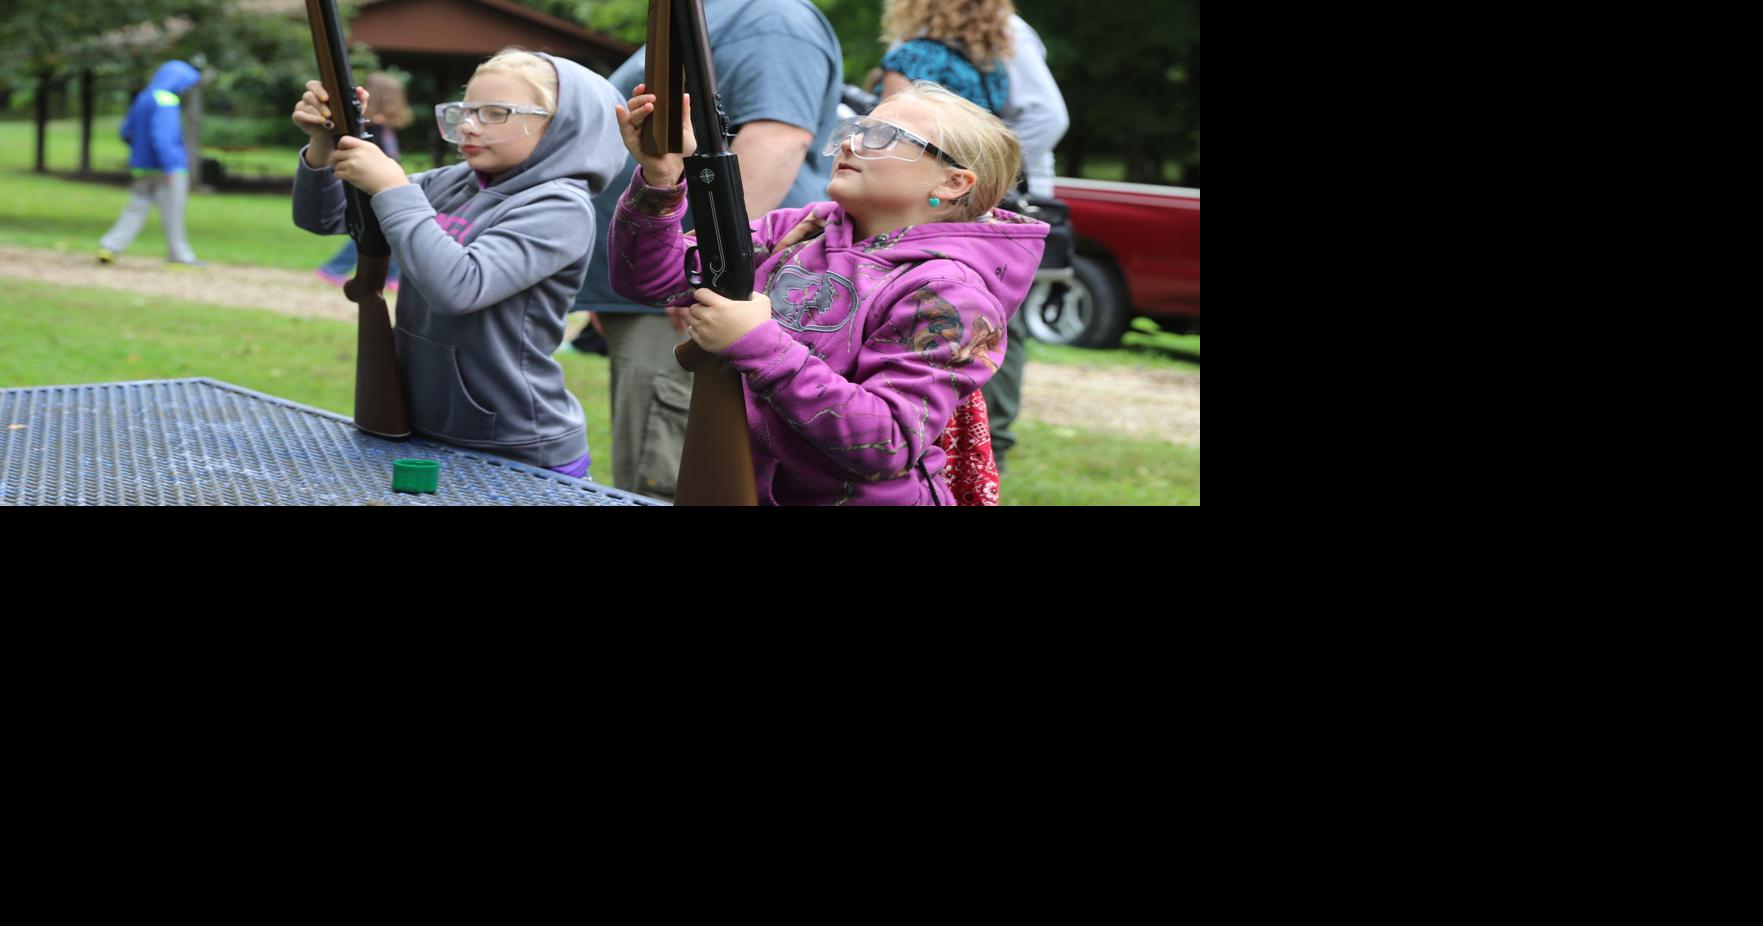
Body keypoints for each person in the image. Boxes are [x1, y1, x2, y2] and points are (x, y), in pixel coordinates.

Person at [610, 80, 1047, 504]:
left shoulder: (951, 295)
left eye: (882, 137)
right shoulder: (797, 231)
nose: (849, 145)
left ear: (953, 184)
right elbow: (652, 281)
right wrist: (662, 178)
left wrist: (755, 344)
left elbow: (886, 444)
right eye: (854, 131)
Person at [292, 49, 625, 479]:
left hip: (517, 443)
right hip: (430, 422)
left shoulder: (560, 207)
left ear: (562, 127)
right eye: (465, 111)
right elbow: (326, 217)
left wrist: (392, 186)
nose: (469, 125)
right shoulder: (450, 183)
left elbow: (459, 288)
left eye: (495, 113)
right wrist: (323, 143)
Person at [569, 0, 844, 501]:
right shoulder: (704, 14)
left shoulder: (771, 18)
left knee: (672, 474)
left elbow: (775, 142)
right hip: (665, 281)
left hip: (701, 294)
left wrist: (715, 274)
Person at [98, 60, 205, 266]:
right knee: (174, 210)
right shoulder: (166, 100)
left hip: (141, 165)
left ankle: (110, 246)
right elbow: (162, 137)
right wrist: (169, 165)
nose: (185, 88)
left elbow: (126, 132)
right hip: (168, 167)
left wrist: (140, 152)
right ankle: (180, 253)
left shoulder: (144, 97)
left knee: (136, 206)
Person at [315, 71, 414, 292]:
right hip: (373, 187)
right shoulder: (373, 129)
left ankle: (392, 275)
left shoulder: (380, 128)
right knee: (379, 230)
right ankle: (335, 268)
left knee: (388, 231)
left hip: (383, 186)